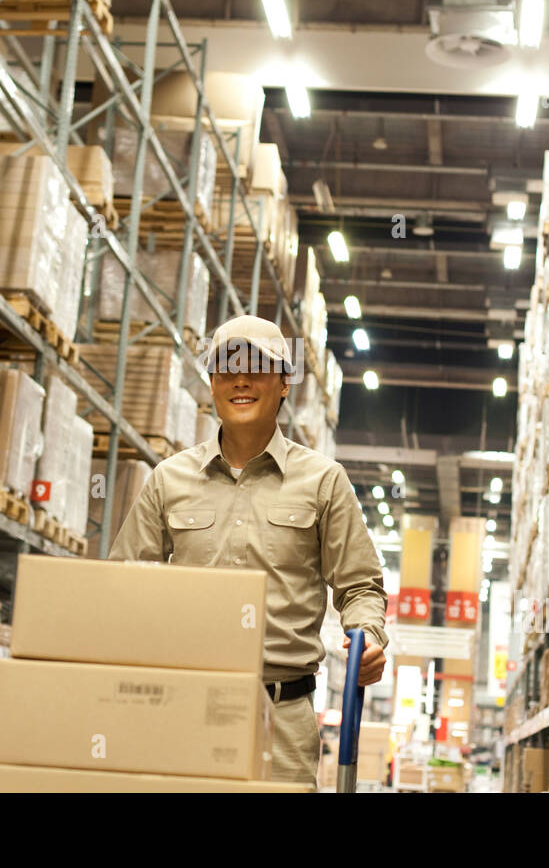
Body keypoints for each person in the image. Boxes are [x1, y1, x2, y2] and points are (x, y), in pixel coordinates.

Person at [109, 314, 388, 786]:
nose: (240, 379)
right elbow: (123, 588)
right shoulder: (168, 481)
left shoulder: (323, 481)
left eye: (257, 366)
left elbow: (360, 585)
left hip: (281, 723)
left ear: (283, 383)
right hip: (181, 713)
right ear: (212, 383)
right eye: (225, 367)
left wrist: (369, 637)